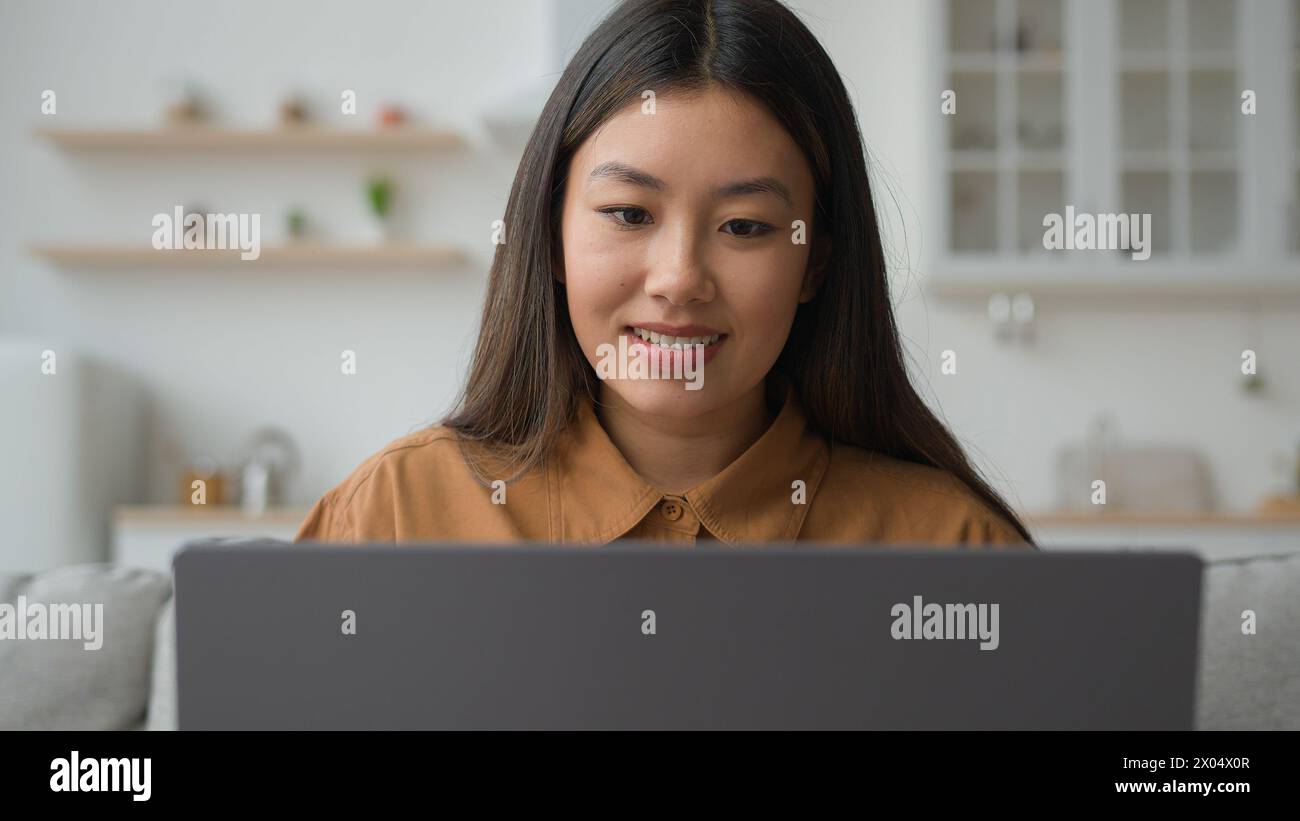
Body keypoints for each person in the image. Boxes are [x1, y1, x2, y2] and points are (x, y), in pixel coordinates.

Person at [295, 0, 1035, 548]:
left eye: (744, 227)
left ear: (816, 264)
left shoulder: (954, 545)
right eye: (628, 214)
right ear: (550, 240)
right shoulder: (390, 517)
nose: (680, 279)